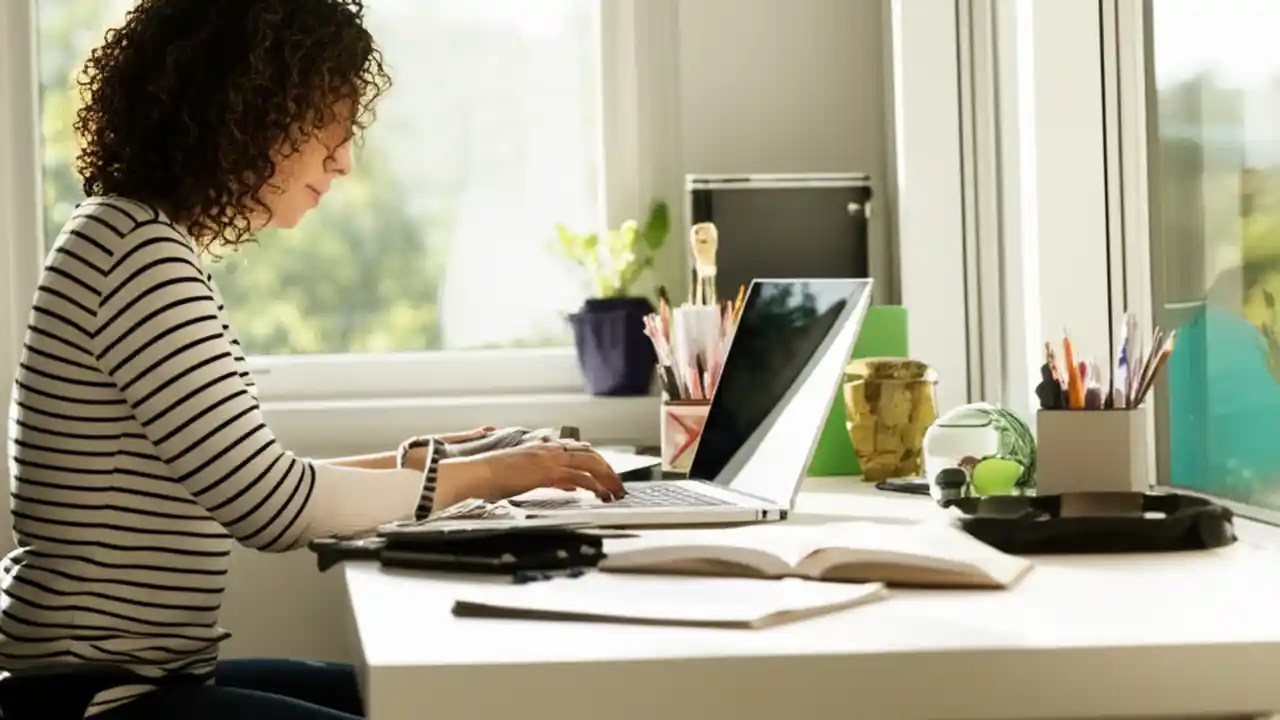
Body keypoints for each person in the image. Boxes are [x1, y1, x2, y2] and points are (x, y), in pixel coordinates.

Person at [0, 1, 622, 718]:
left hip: (127, 683)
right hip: (101, 700)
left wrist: (430, 464)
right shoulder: (138, 257)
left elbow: (254, 475)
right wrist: (487, 475)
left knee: (420, 698)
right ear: (250, 109)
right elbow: (273, 506)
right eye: (326, 121)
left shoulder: (131, 238)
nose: (345, 158)